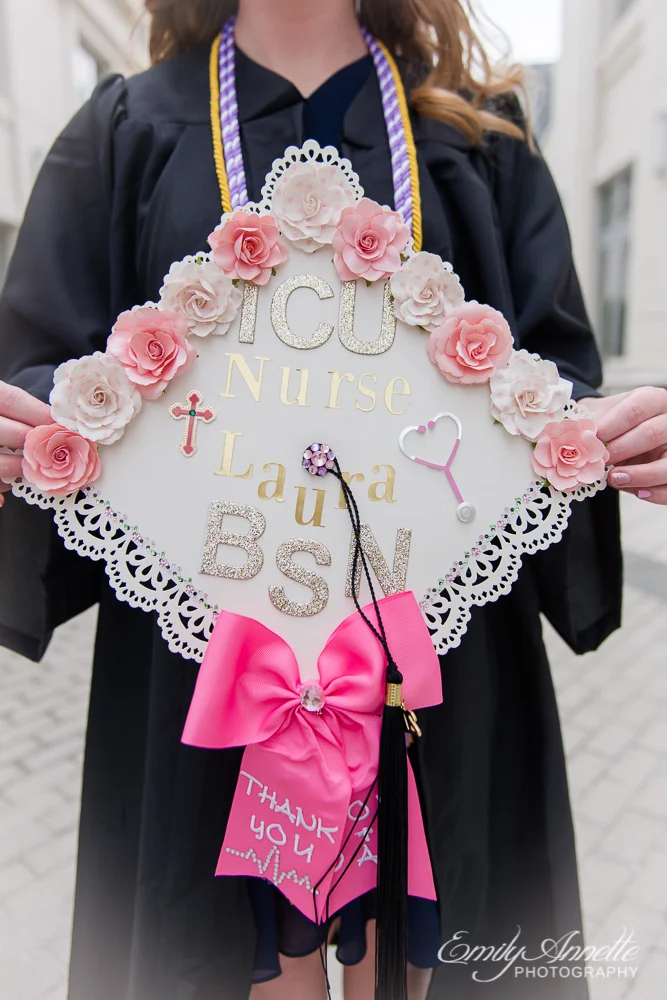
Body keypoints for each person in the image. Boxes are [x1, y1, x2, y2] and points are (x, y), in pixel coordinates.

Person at [0, 1, 665, 998]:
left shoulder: (479, 136)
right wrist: (25, 436)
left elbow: (547, 379)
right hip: (204, 653)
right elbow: (48, 371)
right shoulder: (128, 127)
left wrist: (611, 437)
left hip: (434, 646)